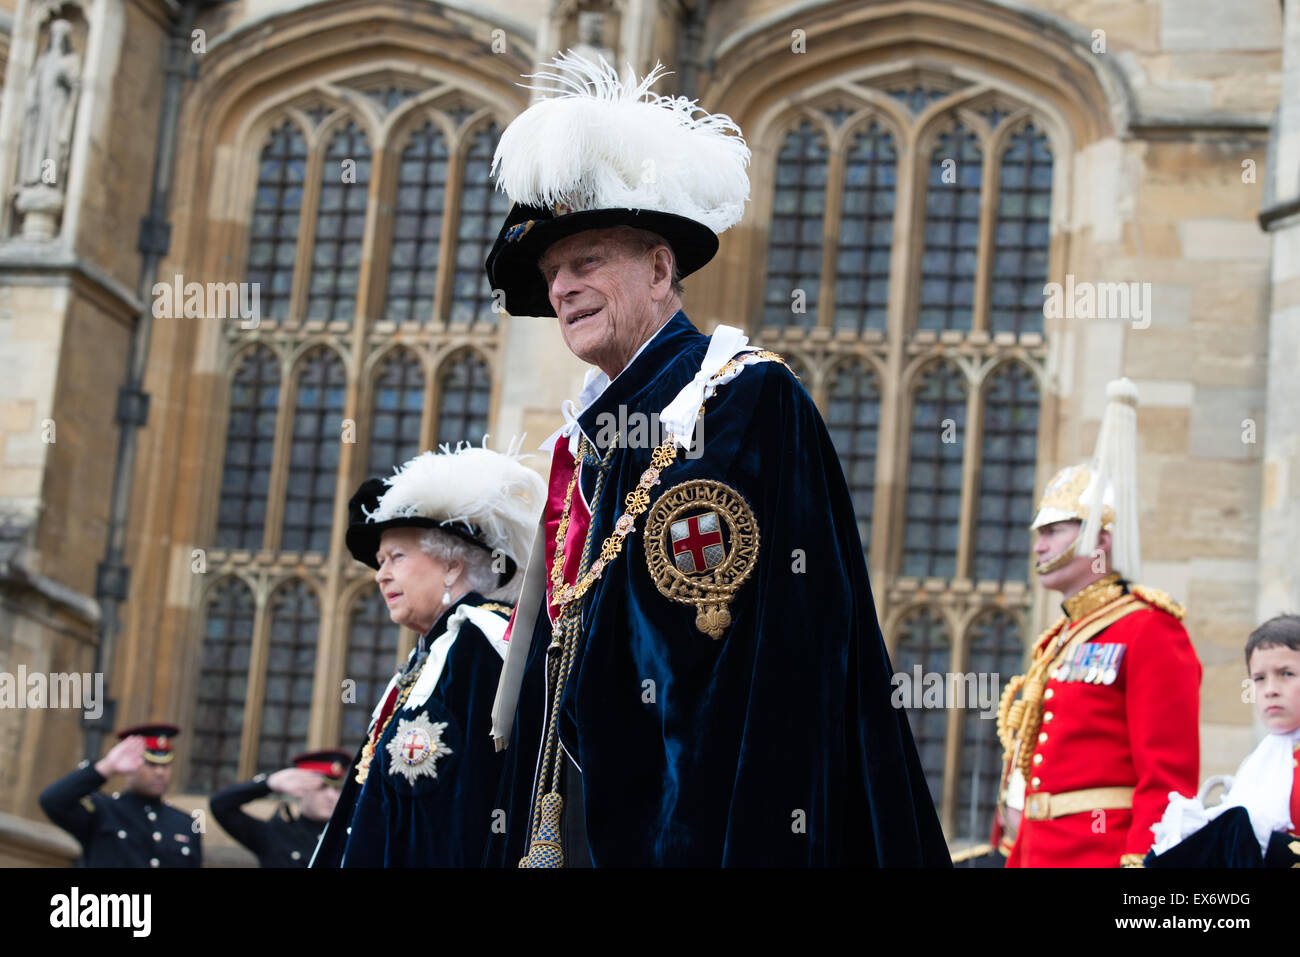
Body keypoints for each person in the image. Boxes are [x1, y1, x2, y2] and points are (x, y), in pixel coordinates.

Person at [485, 52, 950, 867]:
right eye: (554, 273)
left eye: (587, 261)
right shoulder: (588, 448)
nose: (562, 287)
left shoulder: (750, 404)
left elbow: (795, 659)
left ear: (661, 268)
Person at [993, 379, 1202, 867]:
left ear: (1098, 540)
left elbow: (1167, 778)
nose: (1039, 546)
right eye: (1037, 534)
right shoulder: (1059, 640)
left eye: (1053, 531)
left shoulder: (1149, 629)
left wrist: (1139, 864)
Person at [311, 444, 545, 867]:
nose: (381, 574)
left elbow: (478, 800)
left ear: (452, 566)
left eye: (397, 557)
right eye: (380, 561)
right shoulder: (428, 657)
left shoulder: (483, 643)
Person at [1143, 614, 1300, 867]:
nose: (1270, 689)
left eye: (1286, 674)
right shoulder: (1258, 762)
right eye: (1259, 679)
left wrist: (1270, 847)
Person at [39, 723, 201, 867]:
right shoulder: (103, 811)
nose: (159, 772)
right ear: (130, 766)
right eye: (151, 764)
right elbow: (52, 801)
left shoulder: (184, 824)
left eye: (165, 765)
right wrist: (107, 767)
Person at [209, 749, 350, 867]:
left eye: (338, 789)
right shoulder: (276, 834)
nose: (332, 796)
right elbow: (220, 805)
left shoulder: (348, 837)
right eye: (322, 787)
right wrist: (268, 784)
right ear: (300, 789)